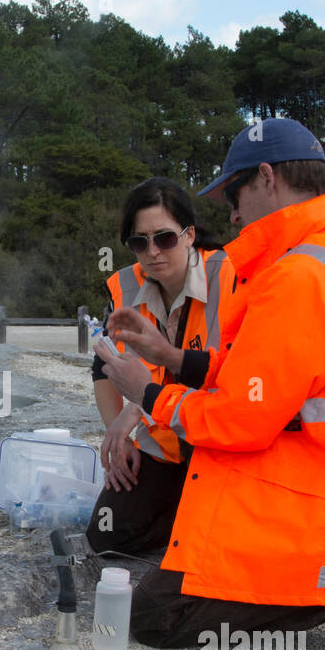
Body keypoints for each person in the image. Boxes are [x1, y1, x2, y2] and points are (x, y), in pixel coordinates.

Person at [97, 118, 325, 650]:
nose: (231, 215)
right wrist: (173, 359)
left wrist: (150, 393)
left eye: (235, 196)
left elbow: (241, 420)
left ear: (266, 179)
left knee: (155, 618)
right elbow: (264, 378)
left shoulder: (299, 276)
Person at [86, 178, 234, 557]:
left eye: (164, 238)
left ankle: (199, 522)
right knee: (107, 535)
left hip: (223, 441)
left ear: (189, 235)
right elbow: (103, 365)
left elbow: (239, 373)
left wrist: (134, 408)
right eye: (140, 242)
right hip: (166, 438)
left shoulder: (232, 279)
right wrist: (118, 435)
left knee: (217, 545)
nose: (152, 252)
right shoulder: (126, 286)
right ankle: (187, 519)